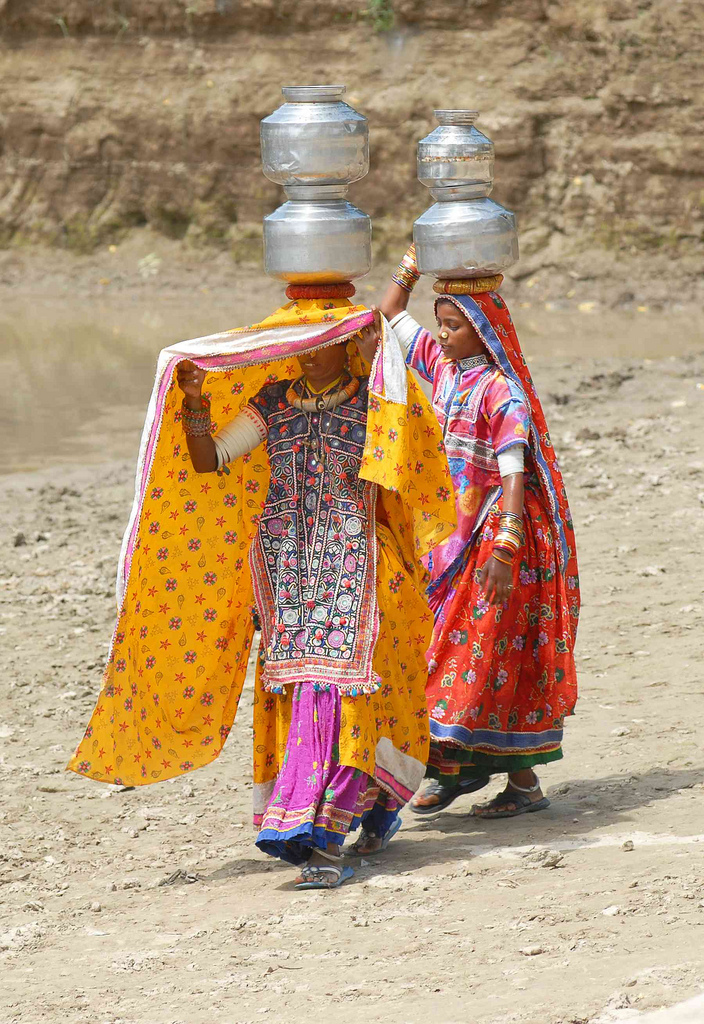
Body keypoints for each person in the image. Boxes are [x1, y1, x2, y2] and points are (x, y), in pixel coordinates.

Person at [67, 294, 455, 888]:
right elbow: (209, 460)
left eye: (321, 342)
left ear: (346, 343)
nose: (307, 354)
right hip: (285, 568)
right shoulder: (273, 402)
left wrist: (387, 355)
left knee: (353, 688)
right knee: (303, 690)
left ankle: (329, 835)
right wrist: (194, 403)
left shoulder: (376, 404)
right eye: (299, 343)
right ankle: (320, 816)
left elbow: (414, 455)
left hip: (356, 562)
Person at [351, 248, 579, 837]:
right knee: (444, 652)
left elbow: (513, 473)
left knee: (481, 656)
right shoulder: (441, 368)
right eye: (442, 324)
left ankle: (500, 780)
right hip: (446, 542)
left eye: (454, 326)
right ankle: (456, 770)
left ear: (483, 332)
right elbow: (388, 312)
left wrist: (506, 547)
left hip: (494, 544)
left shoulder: (503, 395)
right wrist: (413, 259)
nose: (443, 334)